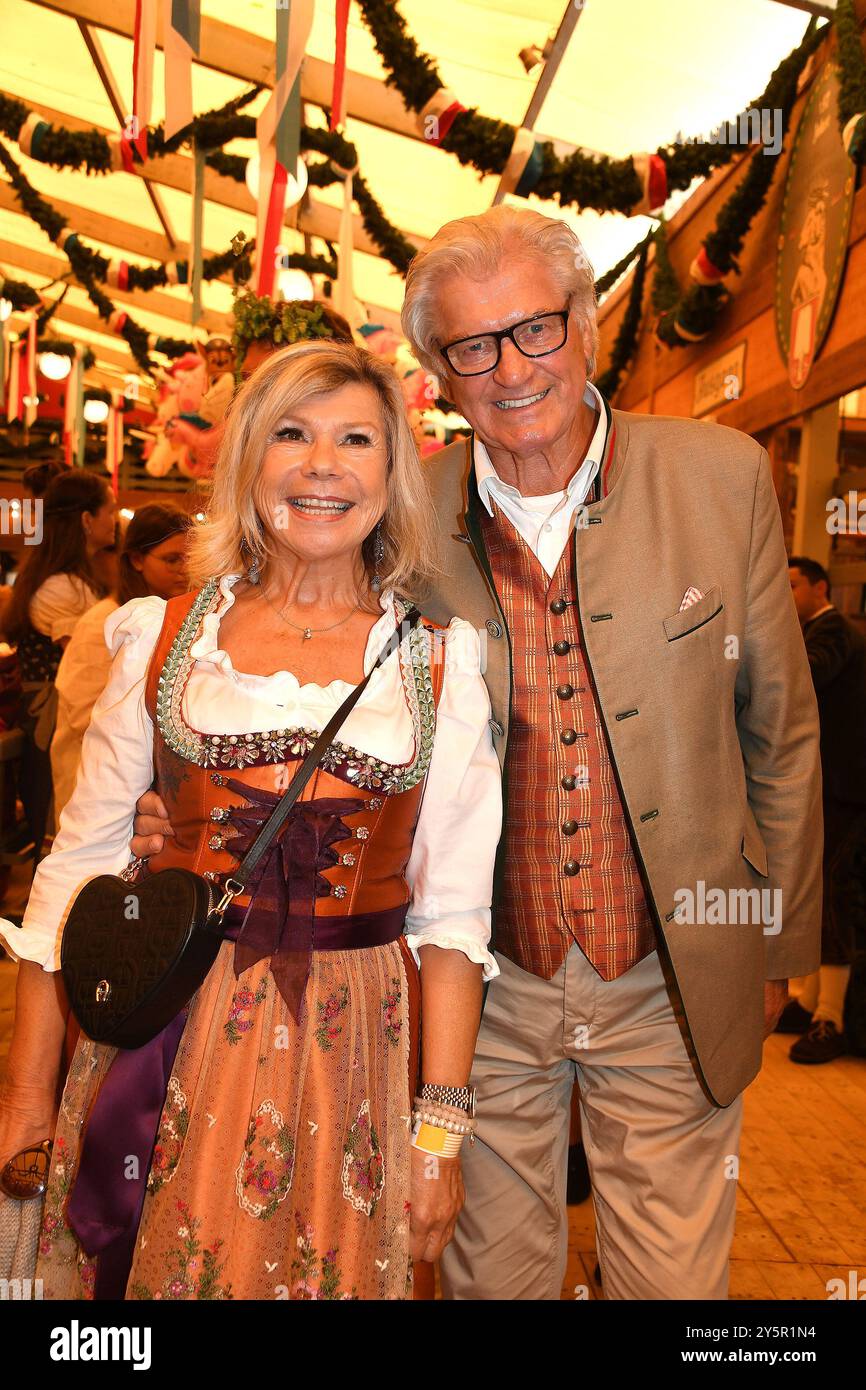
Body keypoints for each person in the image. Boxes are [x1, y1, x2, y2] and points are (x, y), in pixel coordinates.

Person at [133, 205, 823, 1303]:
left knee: (675, 1287)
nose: (511, 369)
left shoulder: (720, 474)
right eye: (471, 345)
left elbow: (776, 728)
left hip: (671, 976)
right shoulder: (398, 518)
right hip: (480, 984)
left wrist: (781, 938)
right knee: (488, 1280)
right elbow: (303, 679)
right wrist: (171, 802)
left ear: (585, 323)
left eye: (535, 329)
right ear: (439, 375)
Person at [0, 341, 501, 1301]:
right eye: (291, 434)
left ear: (393, 472)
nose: (323, 464)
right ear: (248, 466)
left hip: (356, 1045)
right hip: (169, 1027)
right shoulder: (162, 633)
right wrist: (27, 1092)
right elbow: (76, 870)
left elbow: (454, 921)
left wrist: (438, 1131)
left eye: (357, 438)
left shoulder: (442, 664)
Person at [50, 504, 191, 819]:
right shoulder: (100, 621)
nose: (185, 568)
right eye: (171, 559)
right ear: (137, 560)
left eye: (189, 557)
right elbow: (84, 714)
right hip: (100, 778)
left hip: (155, 778)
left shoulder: (184, 617)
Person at [5, 471, 115, 865]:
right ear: (87, 520)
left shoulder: (77, 579)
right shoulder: (61, 585)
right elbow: (91, 655)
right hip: (54, 708)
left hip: (63, 705)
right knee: (57, 810)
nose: (114, 519)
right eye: (110, 509)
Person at [783, 557, 866, 1062]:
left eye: (792, 584)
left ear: (821, 587)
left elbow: (802, 680)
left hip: (846, 792)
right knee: (818, 891)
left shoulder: (833, 629)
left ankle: (829, 1017)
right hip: (830, 789)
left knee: (835, 894)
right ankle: (809, 1000)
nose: (785, 593)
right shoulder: (819, 628)